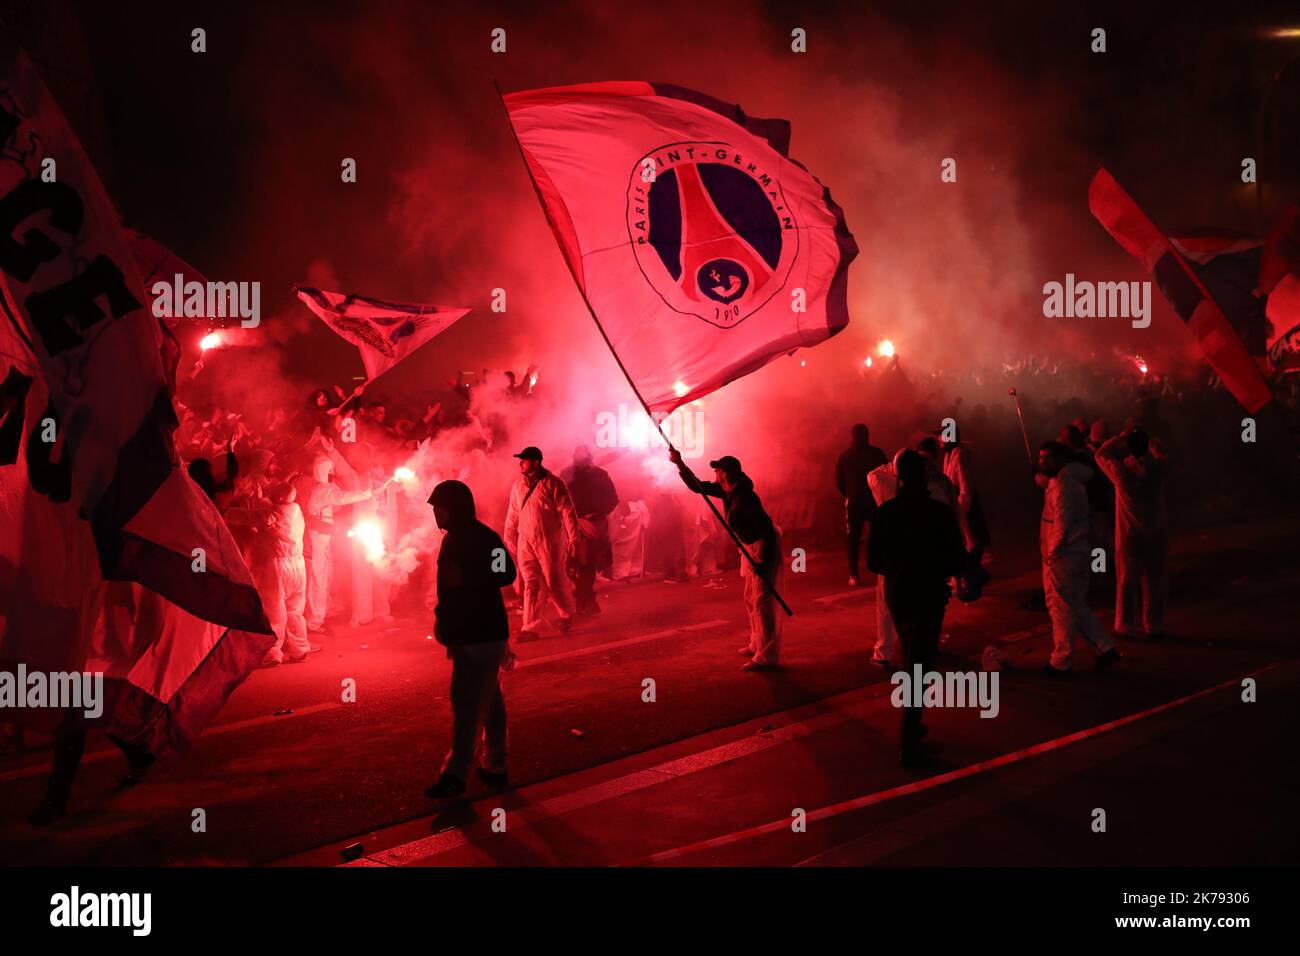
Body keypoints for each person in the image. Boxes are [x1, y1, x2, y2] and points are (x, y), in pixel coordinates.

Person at [867, 450, 967, 767]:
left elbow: (874, 561)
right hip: (929, 593)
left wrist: (899, 569)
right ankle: (909, 740)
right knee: (919, 665)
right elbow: (956, 557)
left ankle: (913, 726)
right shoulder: (938, 513)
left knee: (913, 656)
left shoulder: (887, 512)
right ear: (925, 475)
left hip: (899, 593)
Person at [425, 480, 519, 799]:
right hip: (477, 631)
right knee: (489, 699)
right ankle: (496, 763)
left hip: (480, 633)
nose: (437, 515)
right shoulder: (460, 539)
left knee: (466, 704)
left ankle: (456, 774)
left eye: (441, 509)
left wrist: (471, 579)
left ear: (455, 510)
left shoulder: (478, 539)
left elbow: (505, 574)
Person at [670, 449, 783, 671]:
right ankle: (756, 643)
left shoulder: (745, 498)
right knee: (750, 598)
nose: (714, 473)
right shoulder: (728, 490)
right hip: (750, 547)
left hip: (762, 545)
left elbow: (767, 531)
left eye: (717, 470)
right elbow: (697, 486)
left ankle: (767, 655)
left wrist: (763, 561)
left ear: (724, 474)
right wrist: (679, 464)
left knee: (762, 602)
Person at [1037, 441, 1121, 674]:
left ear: (1063, 460)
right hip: (1071, 554)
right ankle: (1106, 648)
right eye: (1041, 457)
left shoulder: (1065, 485)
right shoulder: (1063, 481)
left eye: (1048, 458)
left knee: (1060, 608)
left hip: (1065, 556)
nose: (1043, 462)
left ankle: (1061, 661)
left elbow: (1063, 523)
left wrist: (1053, 553)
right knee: (1074, 605)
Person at [1094, 428, 1169, 639]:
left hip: (1130, 536)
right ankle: (1154, 625)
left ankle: (1125, 625)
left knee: (1127, 581)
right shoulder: (1157, 470)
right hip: (1156, 533)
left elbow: (1100, 455)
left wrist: (1120, 436)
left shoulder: (1121, 474)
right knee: (1154, 581)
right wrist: (1152, 441)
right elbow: (1162, 454)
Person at [503, 446, 579, 642]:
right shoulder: (518, 484)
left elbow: (567, 512)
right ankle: (530, 627)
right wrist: (509, 534)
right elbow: (513, 512)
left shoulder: (554, 483)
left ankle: (566, 613)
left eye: (524, 460)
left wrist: (573, 538)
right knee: (531, 582)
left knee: (553, 579)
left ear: (536, 462)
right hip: (525, 540)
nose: (520, 463)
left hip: (549, 540)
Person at [303, 454, 379, 632]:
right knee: (318, 580)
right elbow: (342, 498)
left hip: (324, 539)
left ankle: (320, 616)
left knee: (325, 577)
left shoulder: (327, 488)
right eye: (329, 471)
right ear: (321, 471)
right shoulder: (322, 490)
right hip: (317, 539)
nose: (333, 473)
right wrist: (368, 493)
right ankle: (314, 622)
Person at [560, 445, 619, 615]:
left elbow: (613, 499)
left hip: (595, 525)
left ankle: (584, 599)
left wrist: (595, 513)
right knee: (571, 564)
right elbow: (558, 499)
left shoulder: (601, 475)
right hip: (570, 525)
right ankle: (584, 598)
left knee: (589, 563)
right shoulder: (566, 475)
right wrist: (575, 518)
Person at [260, 483, 313, 665]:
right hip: (298, 565)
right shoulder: (297, 511)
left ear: (280, 498)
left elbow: (245, 516)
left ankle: (273, 652)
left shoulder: (271, 516)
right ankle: (300, 648)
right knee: (295, 609)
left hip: (279, 566)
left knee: (275, 609)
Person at [938, 426, 991, 601]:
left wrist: (959, 508)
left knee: (971, 545)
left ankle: (973, 585)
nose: (940, 440)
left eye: (942, 436)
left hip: (964, 507)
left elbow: (966, 486)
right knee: (965, 545)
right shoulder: (948, 455)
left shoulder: (959, 456)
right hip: (957, 506)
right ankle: (972, 579)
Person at [835, 424, 889, 587]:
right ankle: (881, 569)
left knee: (854, 539)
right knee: (878, 536)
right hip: (872, 501)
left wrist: (850, 494)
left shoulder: (845, 456)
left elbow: (839, 481)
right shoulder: (876, 453)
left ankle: (854, 574)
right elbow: (887, 475)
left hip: (855, 502)